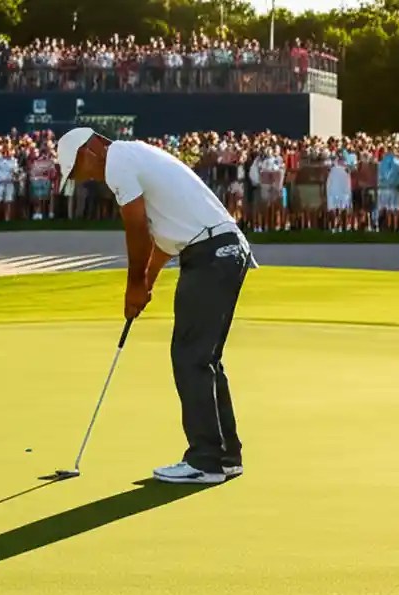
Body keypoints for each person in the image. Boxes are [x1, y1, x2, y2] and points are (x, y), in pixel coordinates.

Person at [56, 126, 256, 485]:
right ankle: (225, 456)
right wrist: (147, 281)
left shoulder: (117, 160)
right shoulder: (137, 157)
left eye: (76, 170)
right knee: (205, 358)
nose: (82, 178)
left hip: (211, 254)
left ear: (89, 151)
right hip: (223, 250)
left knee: (190, 357)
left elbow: (136, 229)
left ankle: (205, 461)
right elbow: (163, 240)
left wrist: (133, 285)